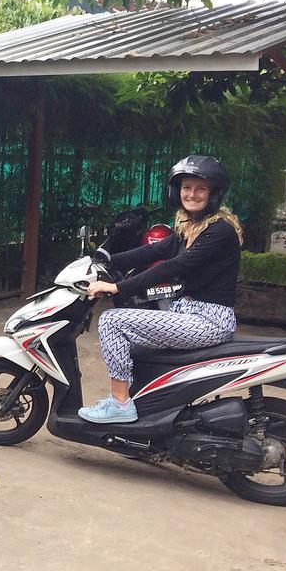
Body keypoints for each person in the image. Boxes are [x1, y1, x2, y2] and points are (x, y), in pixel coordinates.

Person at [80, 155, 243, 423]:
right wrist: (104, 259)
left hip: (208, 320)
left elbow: (173, 266)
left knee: (112, 322)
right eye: (186, 187)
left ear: (213, 194)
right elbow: (154, 251)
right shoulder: (189, 227)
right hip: (188, 312)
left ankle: (119, 405)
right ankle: (148, 404)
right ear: (176, 191)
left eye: (200, 189)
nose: (192, 194)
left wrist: (116, 287)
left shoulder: (219, 231)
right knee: (131, 333)